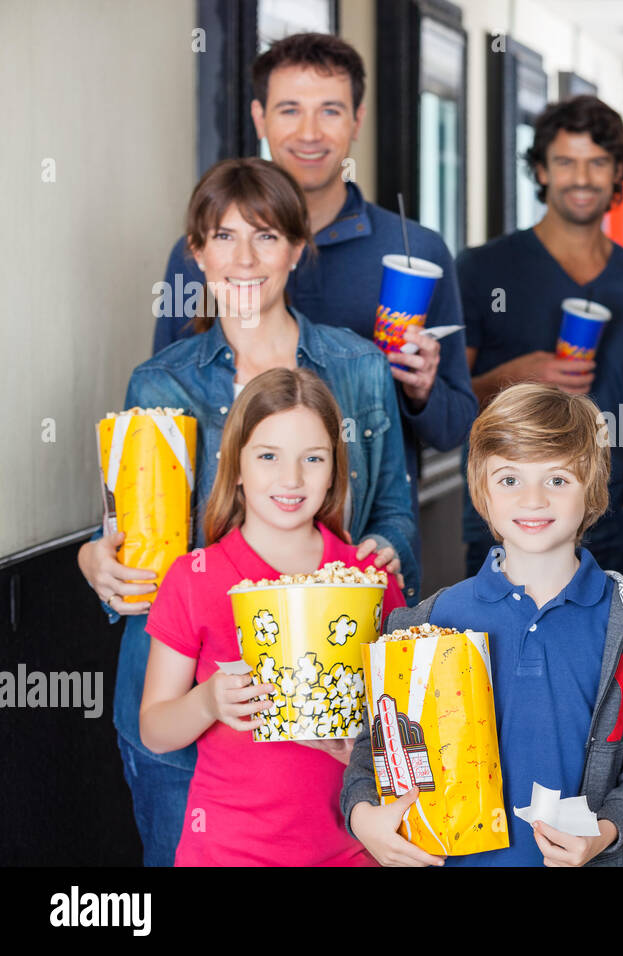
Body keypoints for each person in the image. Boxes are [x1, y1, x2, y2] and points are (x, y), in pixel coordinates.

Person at [78, 156, 417, 865]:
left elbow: (392, 510)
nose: (243, 258)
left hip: (319, 699)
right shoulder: (160, 381)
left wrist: (386, 547)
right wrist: (97, 559)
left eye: (265, 236)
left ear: (297, 248)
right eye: (222, 237)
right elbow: (130, 532)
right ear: (196, 253)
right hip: (181, 695)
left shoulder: (356, 367)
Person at [154, 33, 476, 601]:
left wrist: (422, 391)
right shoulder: (203, 262)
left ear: (357, 119)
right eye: (288, 110)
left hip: (353, 564)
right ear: (258, 116)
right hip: (215, 585)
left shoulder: (416, 251)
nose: (308, 132)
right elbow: (162, 418)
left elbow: (455, 429)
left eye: (329, 110)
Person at [341, 383, 623, 866]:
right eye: (509, 480)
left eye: (557, 480)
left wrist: (604, 832)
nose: (532, 499)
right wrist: (363, 818)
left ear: (591, 488)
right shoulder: (428, 621)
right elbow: (370, 753)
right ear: (481, 487)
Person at [137, 368, 406, 865]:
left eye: (313, 458)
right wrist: (209, 703)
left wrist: (359, 752)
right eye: (267, 456)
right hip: (227, 851)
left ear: (335, 470)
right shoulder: (195, 577)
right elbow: (154, 727)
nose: (291, 479)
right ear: (236, 466)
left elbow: (406, 725)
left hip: (352, 849)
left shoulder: (371, 576)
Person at [455, 95, 623, 580]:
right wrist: (513, 378)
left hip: (611, 517)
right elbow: (448, 404)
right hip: (505, 516)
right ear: (542, 170)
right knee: (499, 655)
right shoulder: (482, 269)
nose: (581, 178)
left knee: (614, 657)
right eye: (565, 162)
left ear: (618, 172)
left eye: (597, 163)